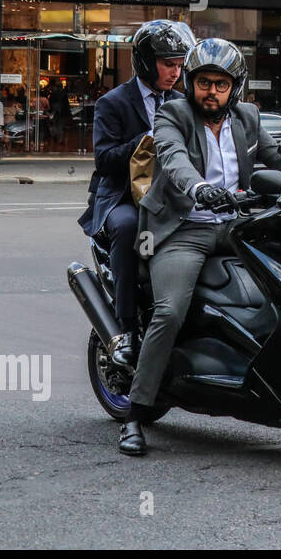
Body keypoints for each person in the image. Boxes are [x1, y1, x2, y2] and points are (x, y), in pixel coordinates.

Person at [118, 38, 281, 456]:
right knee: (170, 311)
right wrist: (200, 188)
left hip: (239, 226)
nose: (210, 91)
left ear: (235, 86)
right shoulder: (172, 115)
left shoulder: (249, 118)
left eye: (220, 84)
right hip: (184, 229)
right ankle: (136, 414)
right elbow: (173, 159)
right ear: (191, 85)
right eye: (203, 82)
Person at [78, 19, 195, 370]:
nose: (175, 72)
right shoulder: (113, 103)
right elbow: (106, 160)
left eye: (179, 65)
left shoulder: (181, 102)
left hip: (169, 196)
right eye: (168, 64)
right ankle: (126, 328)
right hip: (120, 197)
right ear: (145, 61)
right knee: (130, 229)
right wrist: (149, 138)